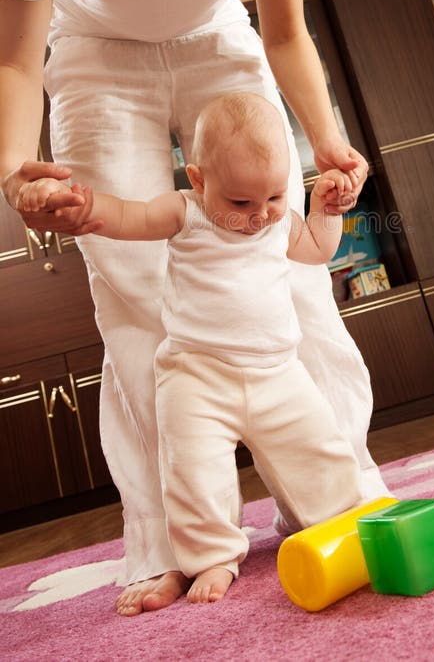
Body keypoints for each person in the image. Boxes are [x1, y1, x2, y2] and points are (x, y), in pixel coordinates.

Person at [0, 0, 388, 616]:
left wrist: (324, 142)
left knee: (281, 260)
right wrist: (11, 167)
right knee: (134, 291)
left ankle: (339, 495)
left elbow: (283, 29)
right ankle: (169, 540)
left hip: (217, 39)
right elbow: (16, 58)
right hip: (95, 54)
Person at [19, 91, 368, 603]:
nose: (258, 215)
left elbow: (317, 250)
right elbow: (131, 217)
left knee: (319, 452)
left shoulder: (278, 219)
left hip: (278, 373)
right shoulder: (185, 212)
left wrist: (325, 208)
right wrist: (90, 210)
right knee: (193, 472)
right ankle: (212, 558)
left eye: (272, 197)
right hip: (196, 374)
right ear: (200, 180)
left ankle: (342, 524)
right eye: (240, 203)